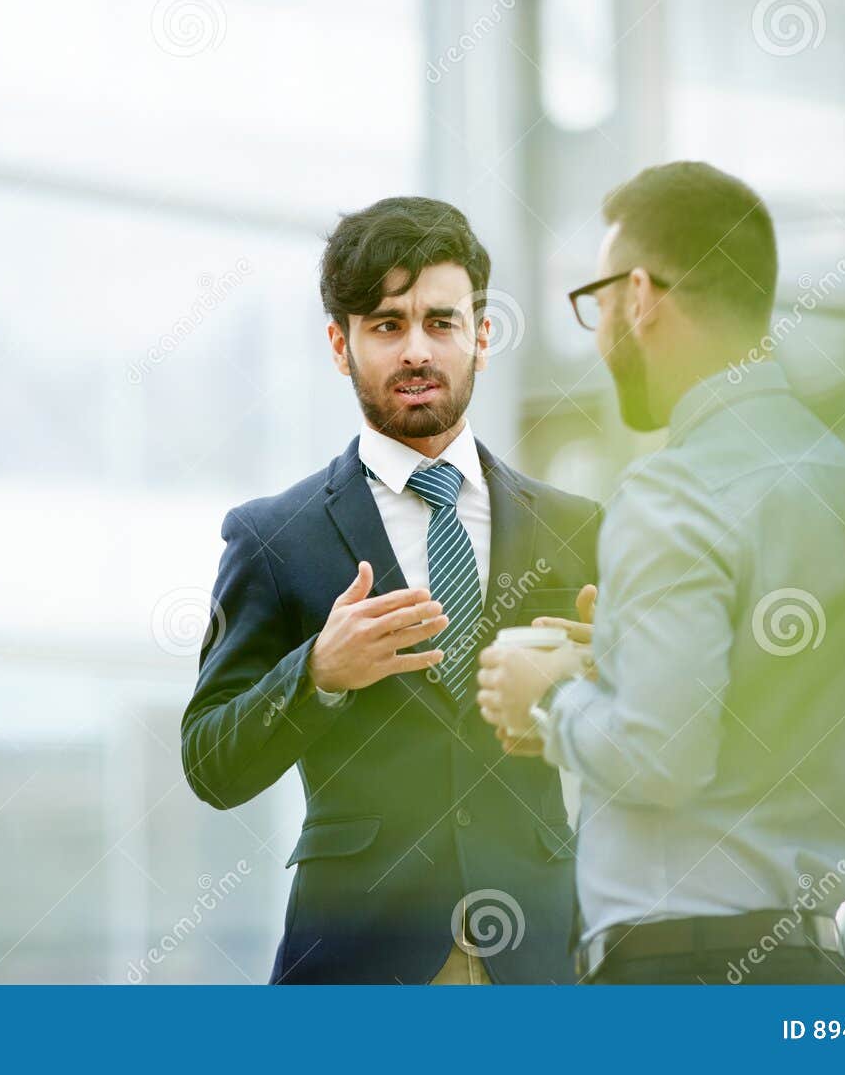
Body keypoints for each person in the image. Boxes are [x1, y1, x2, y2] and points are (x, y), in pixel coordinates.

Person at [475, 162, 845, 985]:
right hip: (812, 969)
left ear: (639, 296)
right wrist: (618, 658)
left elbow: (661, 754)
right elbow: (763, 703)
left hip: (678, 974)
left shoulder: (673, 488)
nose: (602, 335)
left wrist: (543, 691)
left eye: (598, 307)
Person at [181, 196, 600, 984]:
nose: (417, 349)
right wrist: (316, 672)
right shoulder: (274, 536)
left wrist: (602, 671)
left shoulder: (577, 530)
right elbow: (211, 762)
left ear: (481, 334)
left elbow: (651, 729)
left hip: (542, 961)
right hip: (358, 966)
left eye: (440, 322)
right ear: (341, 345)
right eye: (385, 325)